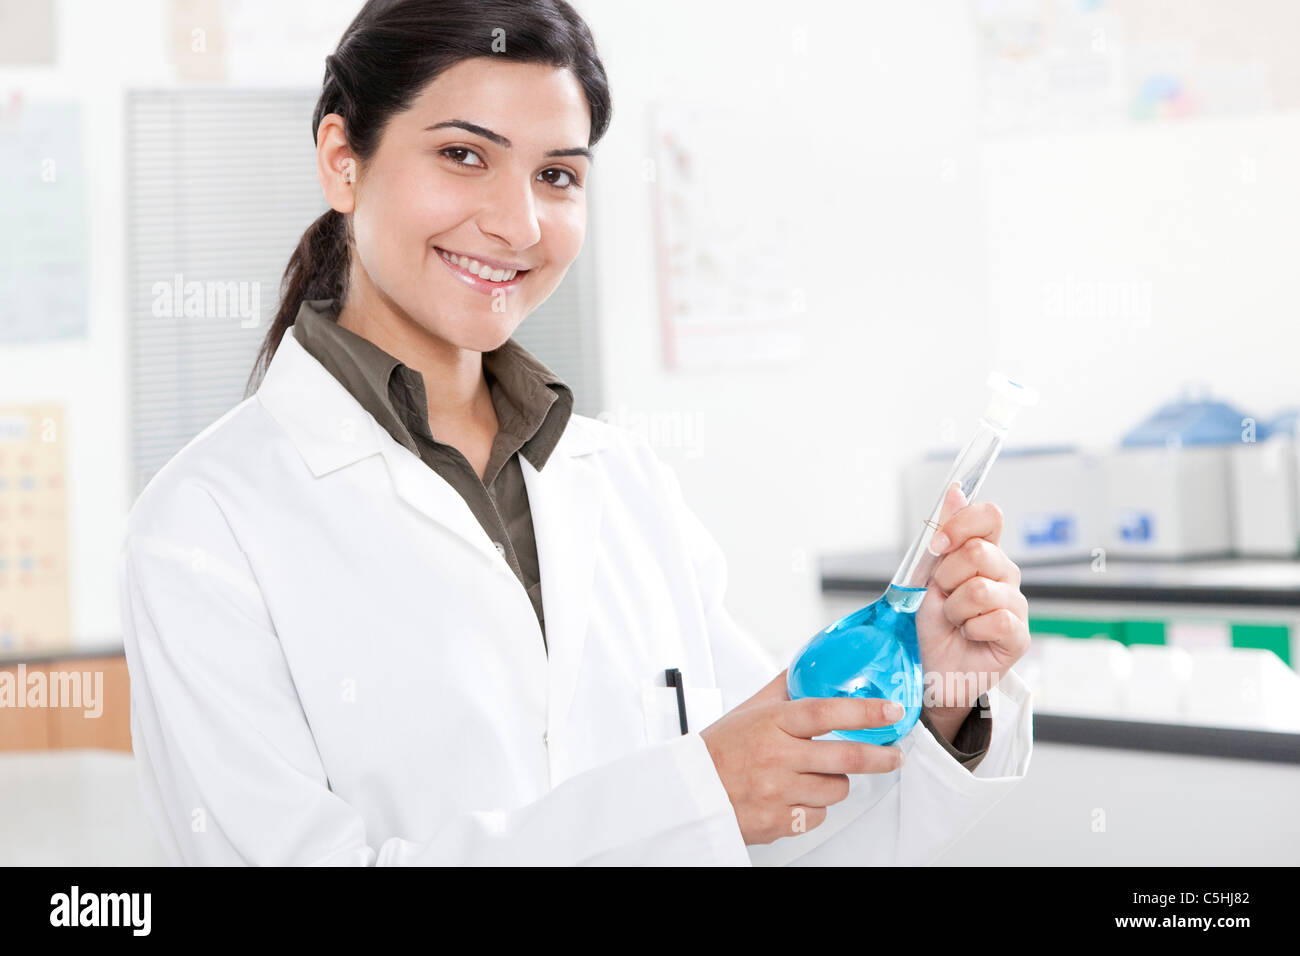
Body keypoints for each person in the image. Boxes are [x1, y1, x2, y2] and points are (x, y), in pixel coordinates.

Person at [119, 0, 1033, 866]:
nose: (517, 224)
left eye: (556, 175)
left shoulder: (622, 482)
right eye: (464, 156)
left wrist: (939, 699)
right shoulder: (204, 528)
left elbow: (785, 828)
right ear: (341, 159)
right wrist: (688, 793)